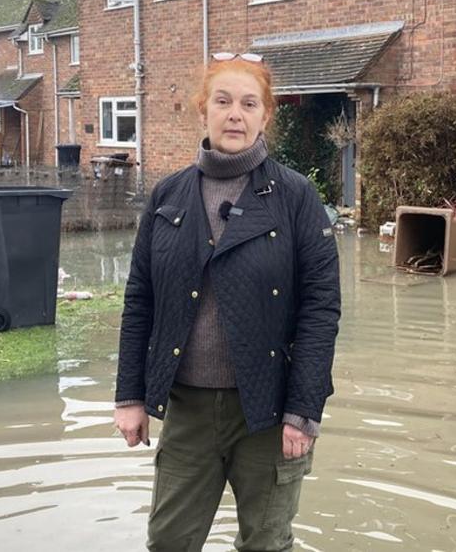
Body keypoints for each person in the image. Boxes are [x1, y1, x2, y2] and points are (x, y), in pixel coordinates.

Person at [113, 52, 341, 551]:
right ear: (203, 111)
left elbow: (320, 310)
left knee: (266, 542)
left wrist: (303, 409)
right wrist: (130, 396)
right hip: (187, 406)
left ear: (265, 116)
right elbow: (139, 300)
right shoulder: (167, 196)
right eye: (223, 101)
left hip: (270, 409)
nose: (234, 114)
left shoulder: (297, 198)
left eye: (248, 103)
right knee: (169, 541)